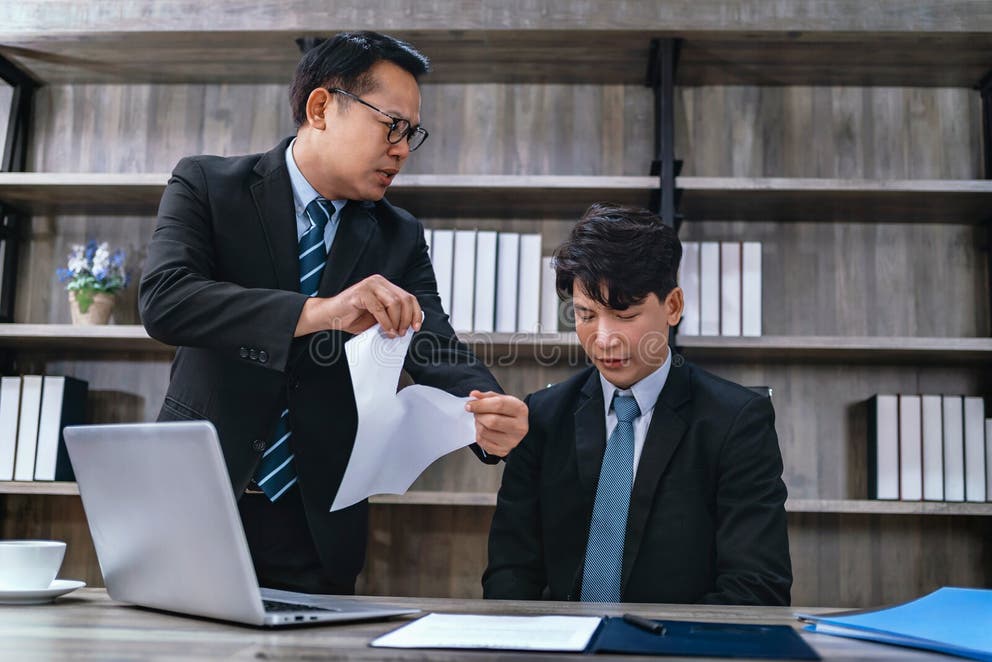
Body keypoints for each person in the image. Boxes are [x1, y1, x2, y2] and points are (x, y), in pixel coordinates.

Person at [139, 31, 527, 595]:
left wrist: (486, 411)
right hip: (192, 502)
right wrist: (318, 312)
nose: (401, 149)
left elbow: (432, 340)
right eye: (391, 125)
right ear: (321, 108)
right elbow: (166, 300)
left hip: (316, 523)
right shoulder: (206, 184)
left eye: (411, 134)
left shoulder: (399, 234)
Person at [483, 203, 791, 605]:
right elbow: (510, 575)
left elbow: (757, 590)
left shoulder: (736, 421)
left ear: (673, 306)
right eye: (586, 315)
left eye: (624, 314)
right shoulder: (542, 417)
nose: (604, 339)